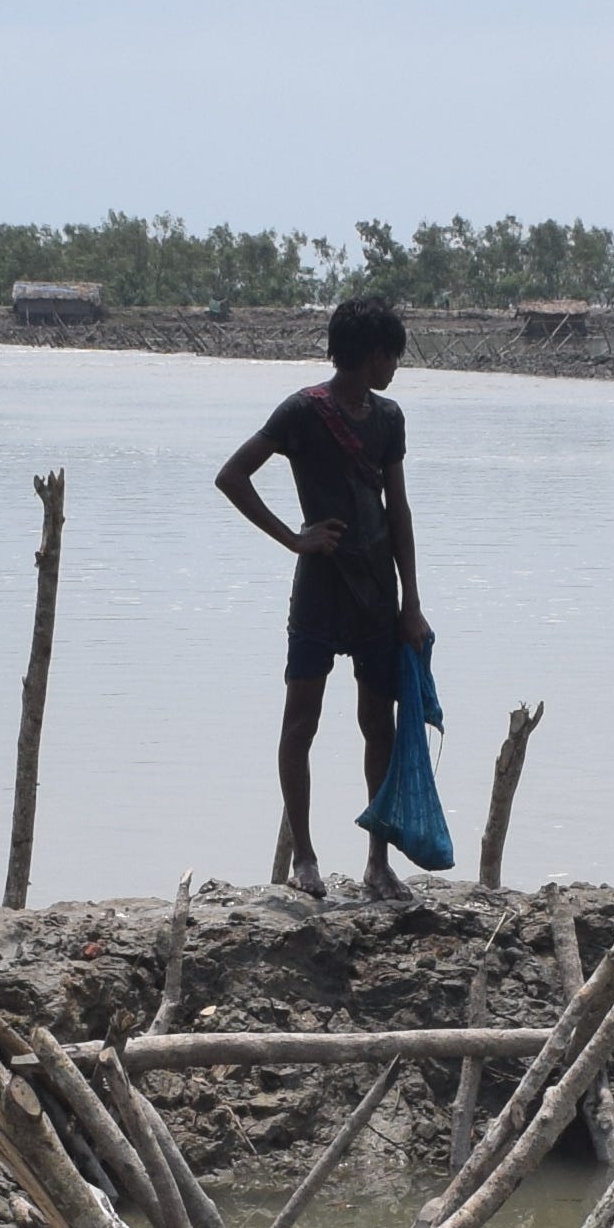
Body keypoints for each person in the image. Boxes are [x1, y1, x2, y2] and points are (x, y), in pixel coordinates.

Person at [220, 299, 428, 895]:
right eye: (391, 356)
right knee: (300, 723)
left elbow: (398, 511)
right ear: (370, 355)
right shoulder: (303, 411)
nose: (395, 368)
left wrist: (411, 602)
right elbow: (232, 476)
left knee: (378, 725)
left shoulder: (388, 419)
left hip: (377, 591)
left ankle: (378, 862)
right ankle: (305, 859)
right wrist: (294, 538)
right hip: (320, 588)